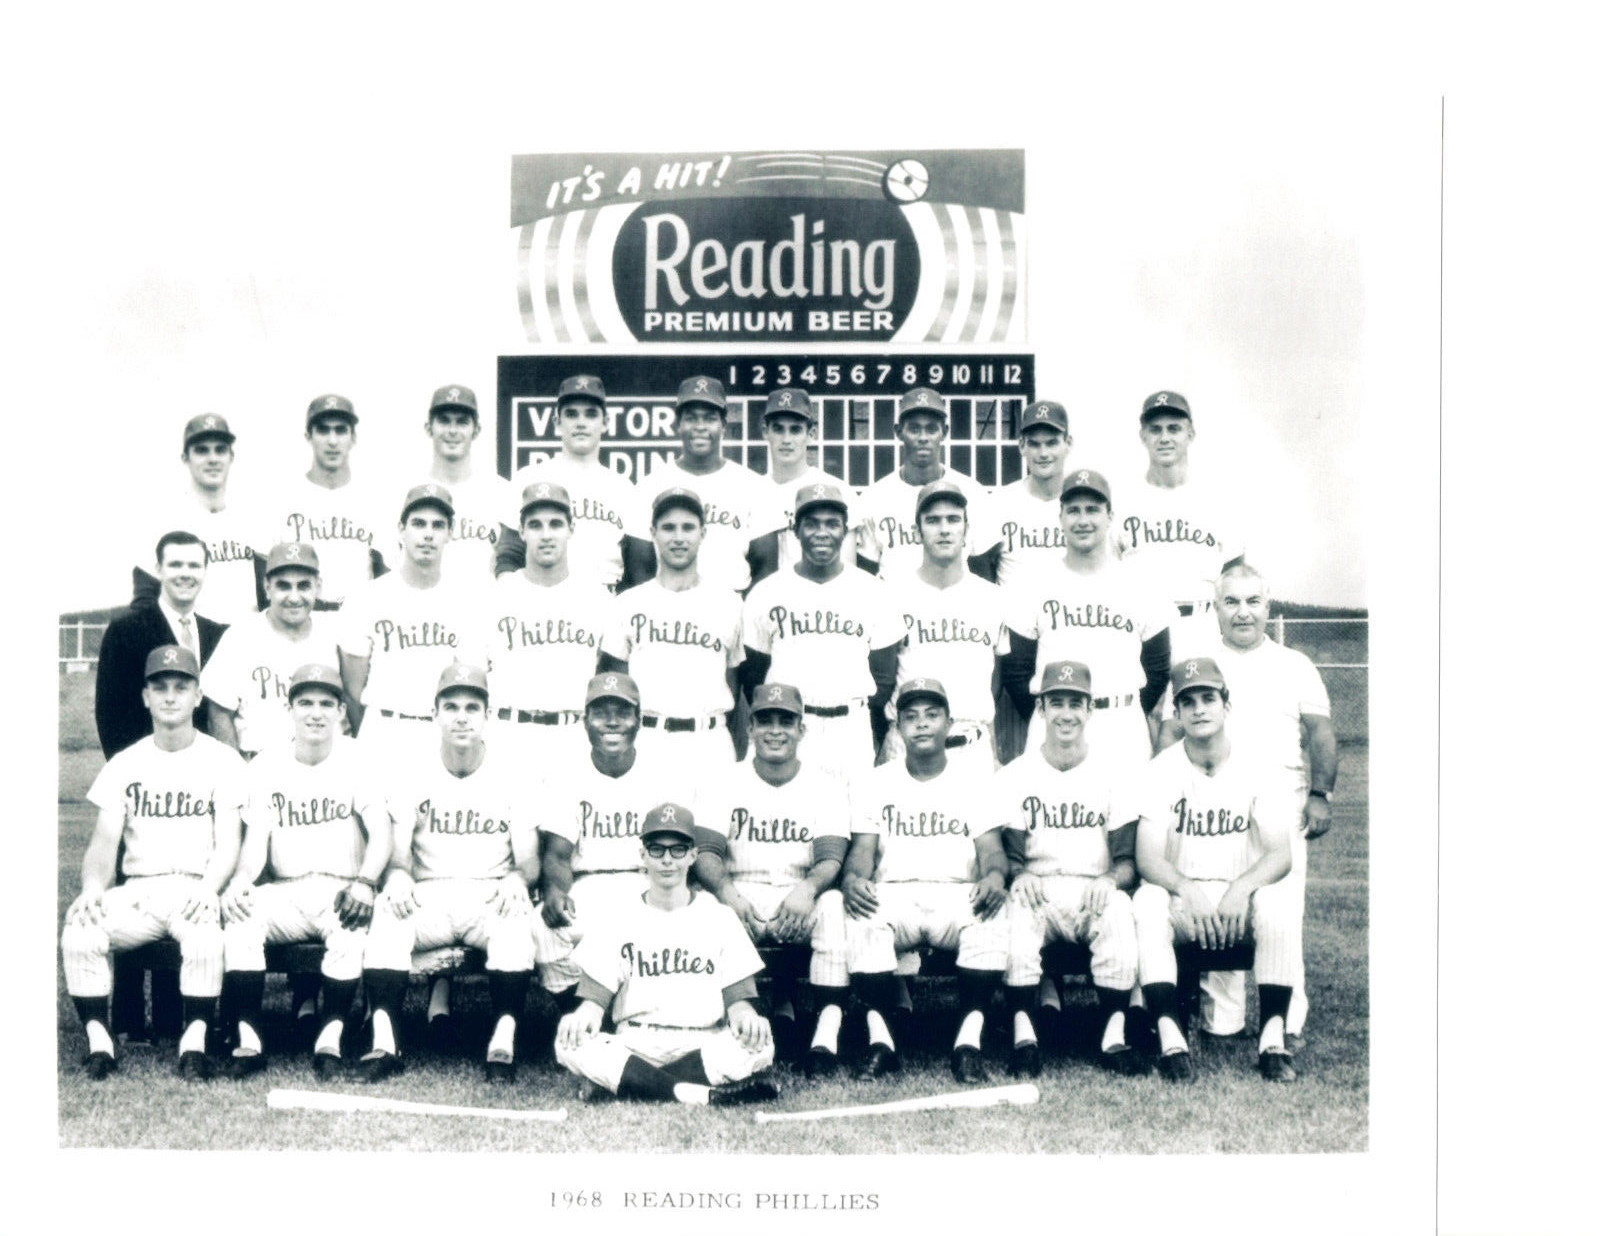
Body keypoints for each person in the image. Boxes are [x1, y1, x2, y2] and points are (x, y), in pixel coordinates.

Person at [1168, 563, 1339, 1048]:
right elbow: (1169, 729)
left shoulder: (1295, 664)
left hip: (1281, 800)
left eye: (1252, 602)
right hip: (1213, 803)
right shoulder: (1198, 664)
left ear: (1268, 606)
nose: (1242, 612)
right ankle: (1222, 1021)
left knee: (1281, 910)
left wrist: (1320, 795)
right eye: (1231, 602)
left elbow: (1321, 733)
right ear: (1216, 609)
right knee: (1220, 904)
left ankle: (1287, 1020)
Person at [61, 645, 245, 1081]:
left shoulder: (223, 760)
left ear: (198, 696)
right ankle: (100, 1043)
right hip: (140, 889)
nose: (170, 696)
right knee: (80, 929)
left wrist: (209, 888)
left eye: (181, 687)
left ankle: (194, 1043)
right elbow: (103, 845)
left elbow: (229, 844)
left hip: (196, 884)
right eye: (160, 687)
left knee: (205, 940)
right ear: (146, 697)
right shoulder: (125, 764)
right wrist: (92, 888)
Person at [358, 663, 540, 1084]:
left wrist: (518, 879)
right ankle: (385, 1041)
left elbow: (529, 859)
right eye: (451, 707)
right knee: (387, 911)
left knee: (516, 918)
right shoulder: (412, 769)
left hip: (489, 891)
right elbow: (399, 854)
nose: (461, 717)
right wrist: (398, 876)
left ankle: (503, 1040)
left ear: (487, 715)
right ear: (434, 714)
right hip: (430, 892)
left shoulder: (514, 770)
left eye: (472, 708)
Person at [217, 663, 391, 1078]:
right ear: (289, 709)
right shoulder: (266, 765)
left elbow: (382, 833)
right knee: (241, 918)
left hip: (342, 887)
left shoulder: (360, 759)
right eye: (305, 703)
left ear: (341, 712)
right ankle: (249, 1037)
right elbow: (255, 845)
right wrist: (240, 881)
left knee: (350, 932)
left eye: (326, 704)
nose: (315, 713)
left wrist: (366, 883)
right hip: (287, 889)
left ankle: (330, 1036)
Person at [1131, 656, 1299, 1082]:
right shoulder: (1160, 770)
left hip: (1239, 898)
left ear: (1227, 704)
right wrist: (1186, 889)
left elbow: (1280, 854)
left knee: (1279, 900)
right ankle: (1171, 1040)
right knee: (1147, 901)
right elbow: (1148, 858)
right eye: (1188, 702)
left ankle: (1273, 1040)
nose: (1199, 709)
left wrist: (1241, 889)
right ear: (1177, 712)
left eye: (1208, 698)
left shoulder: (1259, 765)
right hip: (1185, 899)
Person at [554, 802, 779, 1105]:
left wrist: (749, 1018)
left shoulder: (720, 917)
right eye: (657, 850)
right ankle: (703, 1095)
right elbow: (593, 1003)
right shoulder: (617, 916)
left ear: (692, 855)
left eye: (678, 850)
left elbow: (739, 1003)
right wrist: (581, 1017)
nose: (667, 860)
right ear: (643, 855)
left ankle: (629, 1084)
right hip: (636, 1040)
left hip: (703, 1040)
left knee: (760, 1045)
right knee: (570, 1043)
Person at [841, 678, 1009, 1083]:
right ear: (898, 726)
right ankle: (882, 1043)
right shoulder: (876, 781)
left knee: (992, 917)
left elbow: (992, 851)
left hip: (956, 892)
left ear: (949, 723)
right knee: (861, 917)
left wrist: (994, 876)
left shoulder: (975, 780)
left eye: (932, 715)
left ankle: (967, 1045)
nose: (921, 724)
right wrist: (852, 878)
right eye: (911, 716)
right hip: (895, 891)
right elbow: (863, 850)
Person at [691, 682, 851, 1074]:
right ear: (750, 728)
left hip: (800, 894)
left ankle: (824, 1039)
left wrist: (808, 889)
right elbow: (706, 852)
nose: (775, 731)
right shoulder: (722, 781)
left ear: (802, 729)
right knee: (706, 906)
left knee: (833, 904)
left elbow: (831, 857)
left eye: (786, 721)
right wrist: (726, 893)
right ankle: (724, 1029)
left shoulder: (826, 784)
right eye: (765, 721)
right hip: (740, 892)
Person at [998, 660, 1140, 1077]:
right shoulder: (1016, 775)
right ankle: (1024, 1036)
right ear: (1040, 708)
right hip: (1038, 887)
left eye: (1075, 704)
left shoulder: (1114, 774)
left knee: (1118, 912)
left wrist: (1111, 879)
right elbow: (1009, 858)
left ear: (1090, 709)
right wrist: (1019, 874)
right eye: (1056, 703)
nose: (1065, 714)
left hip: (1091, 886)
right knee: (1017, 914)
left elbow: (1127, 862)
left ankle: (1114, 1035)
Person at [529, 673, 691, 1013]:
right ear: (584, 721)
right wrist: (556, 891)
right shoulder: (565, 775)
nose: (612, 722)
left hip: (646, 881)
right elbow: (557, 855)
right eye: (601, 713)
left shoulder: (664, 772)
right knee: (542, 926)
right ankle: (581, 1015)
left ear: (639, 720)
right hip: (589, 883)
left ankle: (632, 1013)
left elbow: (677, 849)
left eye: (623, 713)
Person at [1001, 469, 1174, 771]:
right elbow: (1016, 669)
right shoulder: (1032, 581)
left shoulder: (1139, 582)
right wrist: (1050, 714)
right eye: (1074, 511)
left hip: (1120, 722)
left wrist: (1129, 706)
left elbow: (1158, 666)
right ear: (1060, 518)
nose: (1083, 520)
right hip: (1056, 724)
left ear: (1110, 517)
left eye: (1093, 510)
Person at [740, 481, 901, 780]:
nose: (822, 532)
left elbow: (884, 677)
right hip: (789, 726)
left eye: (832, 524)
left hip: (850, 727)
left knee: (853, 808)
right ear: (795, 530)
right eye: (811, 524)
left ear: (845, 530)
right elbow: (754, 675)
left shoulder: (873, 591)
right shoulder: (767, 592)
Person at [339, 483, 485, 767]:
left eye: (438, 525)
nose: (428, 534)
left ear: (450, 533)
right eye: (418, 524)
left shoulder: (467, 602)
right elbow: (353, 688)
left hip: (442, 735)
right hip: (384, 728)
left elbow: (469, 681)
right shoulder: (366, 598)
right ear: (401, 529)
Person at [600, 488, 744, 771]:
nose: (678, 537)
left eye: (688, 528)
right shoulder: (628, 603)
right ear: (653, 533)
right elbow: (617, 683)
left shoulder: (729, 603)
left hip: (710, 740)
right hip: (648, 739)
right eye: (668, 528)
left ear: (703, 533)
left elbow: (733, 680)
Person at [883, 479, 1009, 770]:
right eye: (933, 520)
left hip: (970, 744)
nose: (944, 529)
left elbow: (995, 679)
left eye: (953, 520)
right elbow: (882, 677)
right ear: (917, 531)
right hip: (907, 744)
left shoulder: (992, 598)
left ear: (966, 529)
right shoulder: (891, 594)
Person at [483, 481, 610, 766]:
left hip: (575, 737)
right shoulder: (496, 597)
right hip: (509, 734)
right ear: (521, 532)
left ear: (571, 529)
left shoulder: (597, 598)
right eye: (535, 525)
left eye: (556, 524)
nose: (546, 535)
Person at [1115, 391, 1247, 659]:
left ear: (1190, 434)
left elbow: (1234, 578)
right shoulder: (1120, 500)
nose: (1164, 437)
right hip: (1138, 631)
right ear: (1143, 436)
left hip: (1201, 626)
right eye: (1155, 429)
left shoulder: (1219, 499)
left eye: (1174, 428)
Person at [500, 374, 653, 591]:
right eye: (571, 414)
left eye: (591, 414)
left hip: (605, 595)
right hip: (541, 597)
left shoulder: (624, 488)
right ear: (557, 423)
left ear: (605, 423)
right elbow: (508, 555)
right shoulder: (528, 478)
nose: (581, 423)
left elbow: (640, 572)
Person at [633, 375, 784, 595]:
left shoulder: (754, 486)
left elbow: (765, 569)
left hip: (733, 604)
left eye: (710, 418)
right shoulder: (649, 485)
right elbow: (639, 569)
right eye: (691, 418)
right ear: (677, 425)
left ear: (723, 426)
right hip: (666, 607)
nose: (700, 427)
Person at [202, 542, 341, 758]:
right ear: (267, 588)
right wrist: (235, 769)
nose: (294, 597)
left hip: (327, 763)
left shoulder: (336, 630)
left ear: (318, 587)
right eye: (283, 586)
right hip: (260, 764)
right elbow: (219, 714)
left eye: (303, 586)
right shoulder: (240, 636)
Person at [96, 531, 228, 759]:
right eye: (175, 565)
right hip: (149, 770)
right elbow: (111, 717)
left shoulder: (218, 635)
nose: (185, 574)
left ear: (205, 571)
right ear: (159, 569)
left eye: (194, 566)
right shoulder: (125, 632)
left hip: (209, 769)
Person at [855, 387, 1000, 582]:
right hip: (895, 599)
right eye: (914, 429)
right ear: (899, 432)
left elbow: (983, 572)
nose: (923, 438)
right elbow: (865, 574)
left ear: (944, 432)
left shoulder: (973, 492)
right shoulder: (873, 498)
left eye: (931, 429)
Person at [131, 414, 263, 623]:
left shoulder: (253, 518)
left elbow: (269, 595)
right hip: (189, 637)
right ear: (185, 458)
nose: (213, 459)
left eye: (220, 450)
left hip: (245, 638)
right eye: (202, 450)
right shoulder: (162, 521)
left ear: (231, 457)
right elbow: (144, 603)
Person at [265, 394, 388, 609]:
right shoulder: (282, 499)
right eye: (323, 430)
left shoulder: (374, 499)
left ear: (353, 437)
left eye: (340, 430)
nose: (332, 441)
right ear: (308, 436)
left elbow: (386, 577)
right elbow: (265, 580)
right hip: (300, 617)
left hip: (360, 617)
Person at [757, 386, 862, 571]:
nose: (786, 439)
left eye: (795, 430)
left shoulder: (837, 490)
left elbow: (847, 570)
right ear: (766, 432)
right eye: (778, 429)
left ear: (811, 434)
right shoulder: (751, 490)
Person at [419, 384, 516, 582]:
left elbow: (513, 562)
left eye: (462, 422)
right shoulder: (407, 491)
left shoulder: (501, 492)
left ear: (476, 430)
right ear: (429, 428)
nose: (452, 431)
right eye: (444, 421)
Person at [991, 400, 1074, 587]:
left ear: (1068, 444)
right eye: (1035, 444)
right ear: (1022, 446)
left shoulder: (1085, 504)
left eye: (1052, 443)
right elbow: (982, 573)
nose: (1043, 453)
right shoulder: (999, 503)